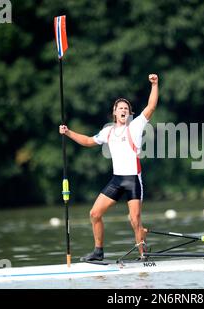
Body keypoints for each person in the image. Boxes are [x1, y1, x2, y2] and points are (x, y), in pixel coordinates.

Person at [59, 74, 159, 261]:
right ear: (114, 112)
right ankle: (98, 252)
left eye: (126, 109)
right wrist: (68, 132)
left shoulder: (135, 125)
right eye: (120, 108)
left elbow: (151, 106)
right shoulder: (108, 131)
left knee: (135, 220)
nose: (123, 110)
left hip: (132, 181)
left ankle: (144, 256)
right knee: (94, 214)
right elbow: (88, 141)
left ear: (130, 113)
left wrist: (154, 84)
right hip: (117, 180)